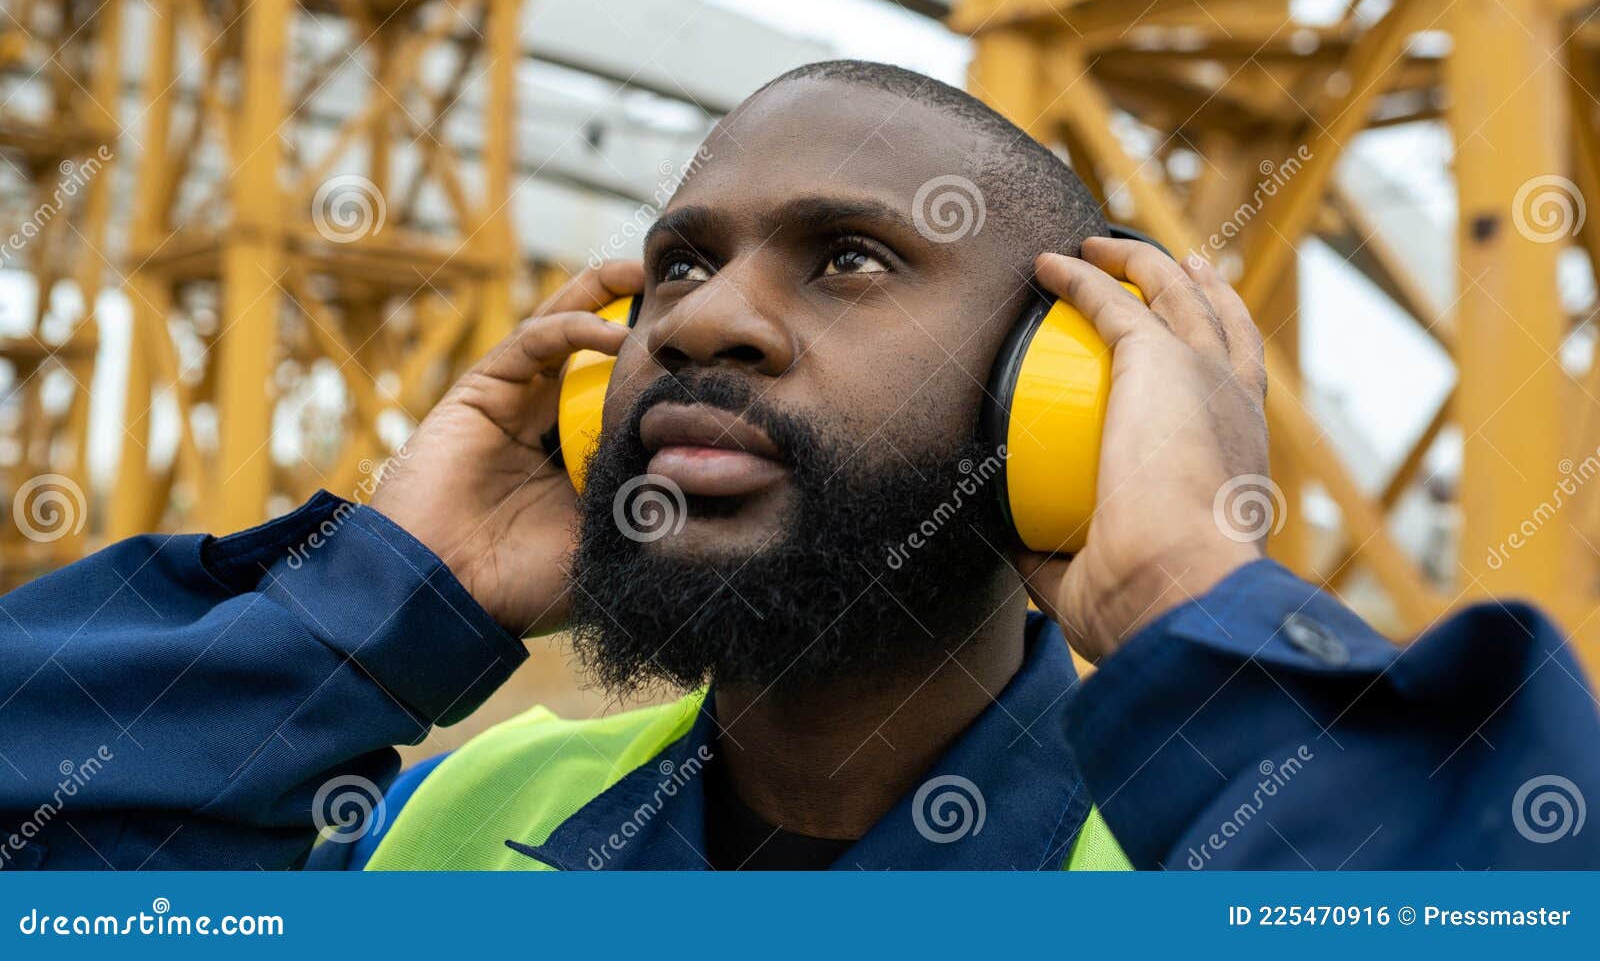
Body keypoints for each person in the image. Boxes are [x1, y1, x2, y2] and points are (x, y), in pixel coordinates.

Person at [1, 61, 1595, 871]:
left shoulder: (1234, 854)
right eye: (676, 265)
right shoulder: (453, 824)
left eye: (845, 261)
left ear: (1055, 393)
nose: (706, 325)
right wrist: (368, 610)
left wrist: (1182, 587)